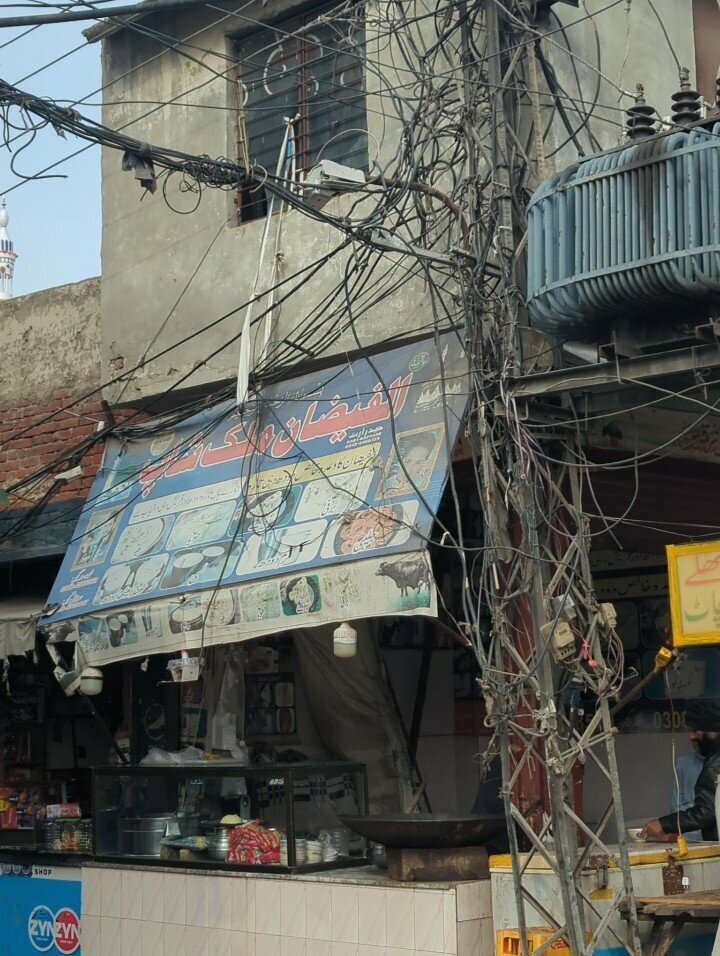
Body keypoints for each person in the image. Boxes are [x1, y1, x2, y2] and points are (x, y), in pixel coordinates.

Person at [643, 700, 720, 842]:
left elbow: (706, 813)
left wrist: (664, 824)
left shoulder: (714, 764)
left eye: (695, 731)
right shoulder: (684, 763)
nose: (691, 737)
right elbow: (677, 805)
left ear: (711, 730)